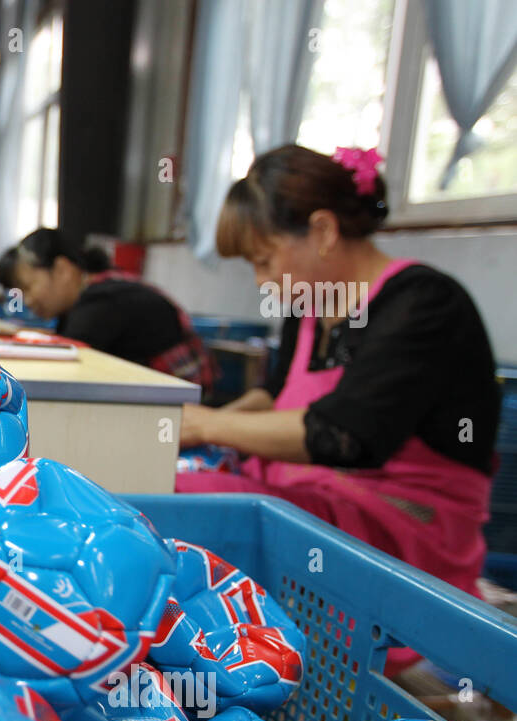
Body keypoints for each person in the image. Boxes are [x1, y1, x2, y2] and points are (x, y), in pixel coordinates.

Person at [177, 144, 500, 668]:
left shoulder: (423, 304)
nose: (262, 283)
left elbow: (342, 435)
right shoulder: (311, 308)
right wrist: (204, 428)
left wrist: (207, 423)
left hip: (403, 535)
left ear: (323, 231)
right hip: (317, 504)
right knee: (183, 477)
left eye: (264, 261)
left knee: (192, 499)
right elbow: (278, 399)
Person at [3, 229, 213, 387]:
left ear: (62, 270)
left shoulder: (100, 304)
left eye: (28, 287)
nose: (27, 300)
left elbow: (62, 373)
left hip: (185, 406)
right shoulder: (98, 290)